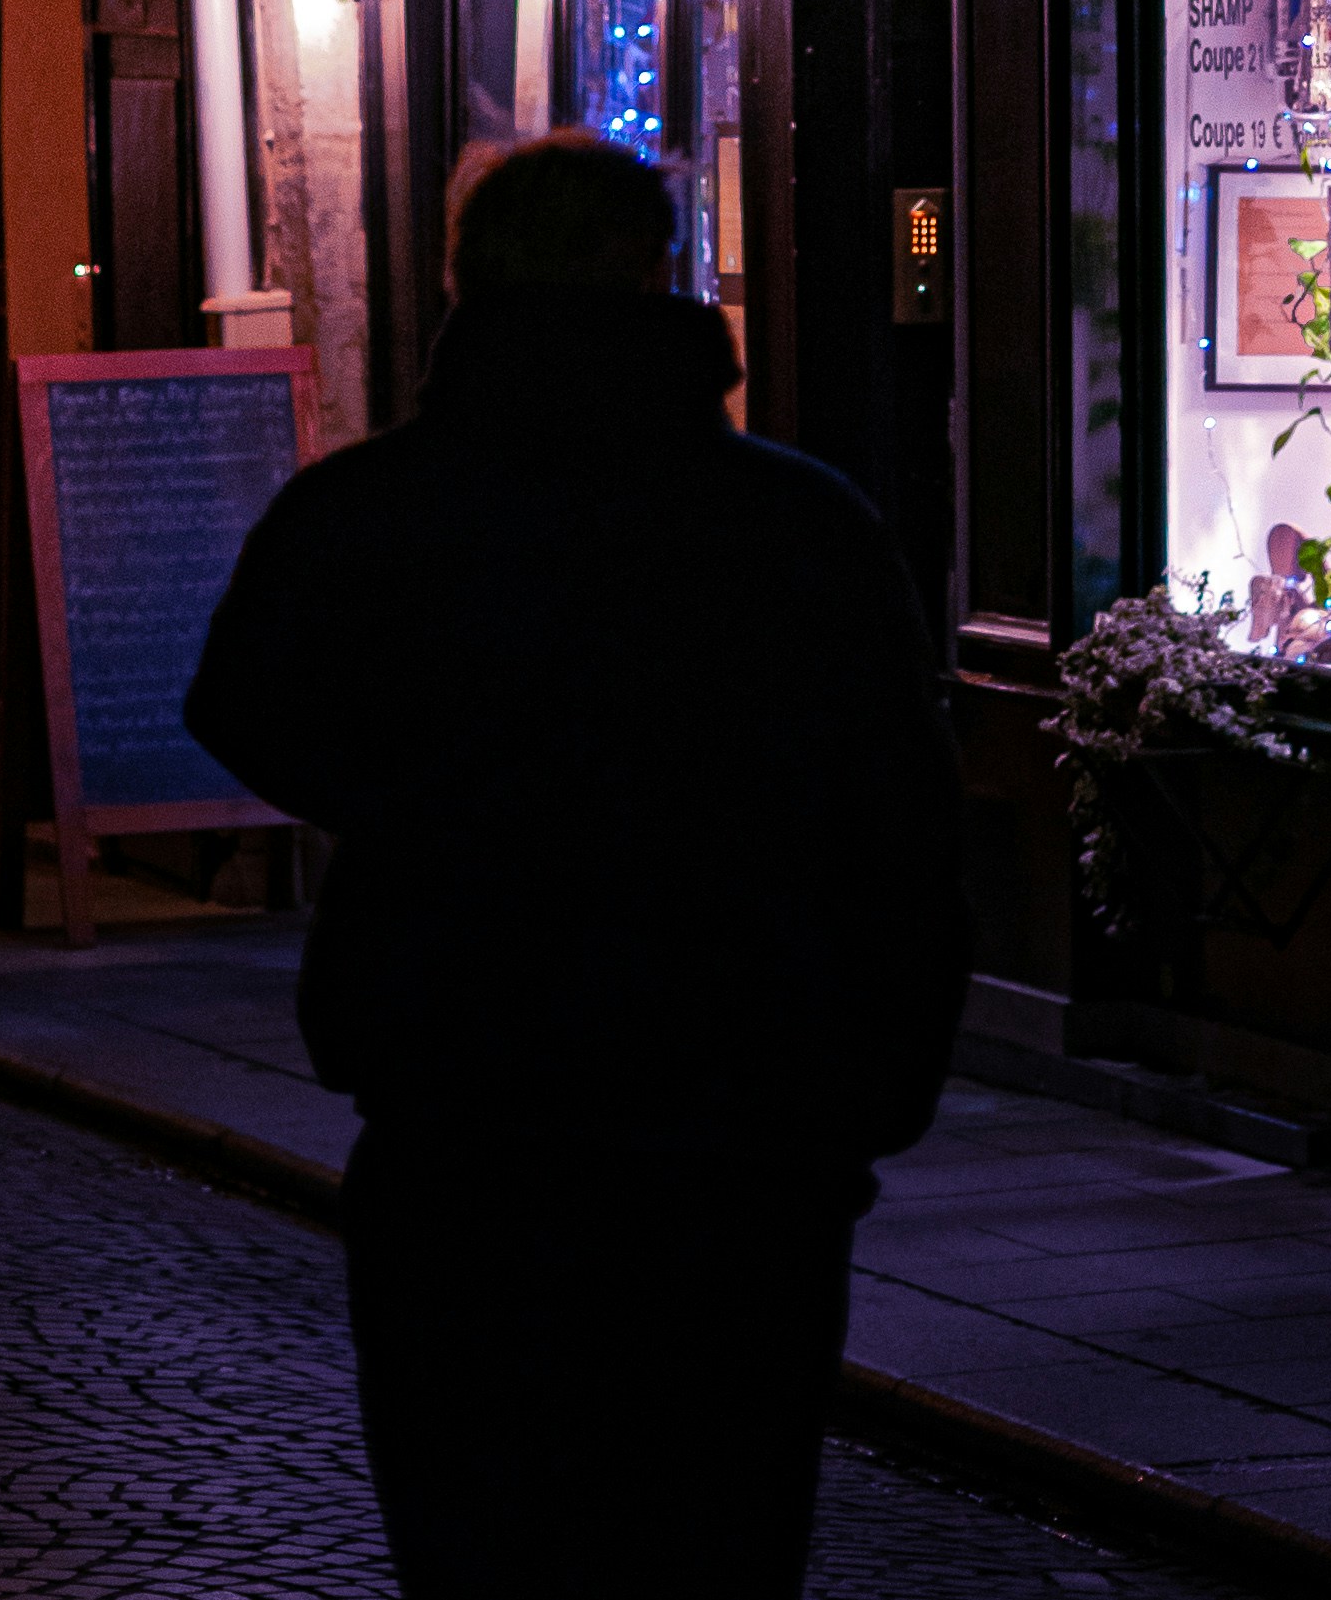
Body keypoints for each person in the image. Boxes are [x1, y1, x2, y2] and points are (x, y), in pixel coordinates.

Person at [185, 133, 970, 1597]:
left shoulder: (374, 512)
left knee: (484, 1540)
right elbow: (905, 832)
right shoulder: (797, 526)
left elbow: (239, 701)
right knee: (716, 1542)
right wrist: (871, 1095)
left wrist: (417, 810)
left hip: (465, 1111)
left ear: (465, 282)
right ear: (656, 274)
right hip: (736, 1128)